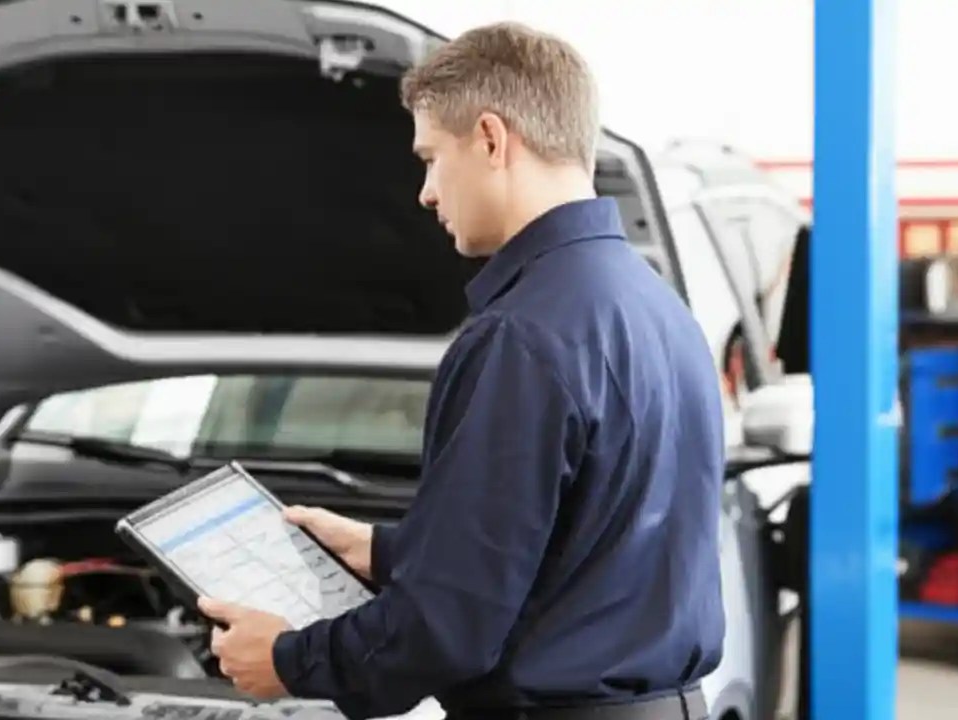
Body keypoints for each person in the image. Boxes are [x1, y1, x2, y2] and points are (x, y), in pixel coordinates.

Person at [198, 21, 726, 720]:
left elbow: (449, 627)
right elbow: (591, 545)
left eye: (430, 158)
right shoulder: (654, 306)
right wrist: (387, 551)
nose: (425, 192)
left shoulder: (523, 335)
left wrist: (289, 658)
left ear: (489, 138)